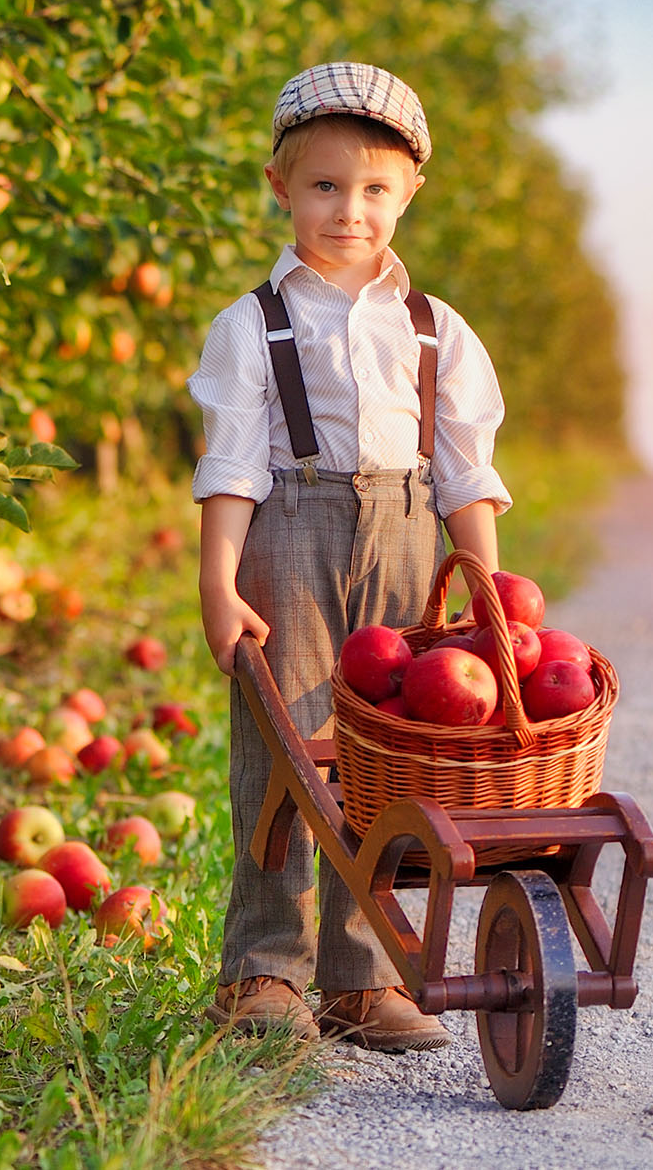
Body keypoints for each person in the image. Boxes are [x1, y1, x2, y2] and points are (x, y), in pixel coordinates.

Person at [190, 61, 512, 1052]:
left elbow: (464, 473)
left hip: (408, 540)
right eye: (325, 185)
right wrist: (217, 581)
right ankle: (263, 967)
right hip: (289, 533)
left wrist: (487, 597)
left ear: (409, 192)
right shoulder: (251, 324)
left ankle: (362, 975)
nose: (349, 210)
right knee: (283, 753)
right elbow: (231, 464)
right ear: (280, 187)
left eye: (374, 188)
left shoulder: (435, 329)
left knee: (391, 757)